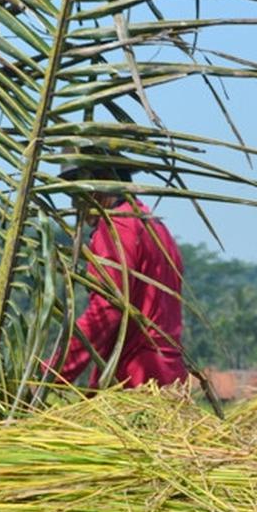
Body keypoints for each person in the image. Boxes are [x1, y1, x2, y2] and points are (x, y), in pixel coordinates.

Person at [51, 149, 187, 388]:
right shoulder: (153, 225)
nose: (74, 204)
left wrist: (52, 373)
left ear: (100, 181)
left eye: (76, 192)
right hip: (169, 379)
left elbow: (107, 310)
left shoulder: (116, 228)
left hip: (137, 378)